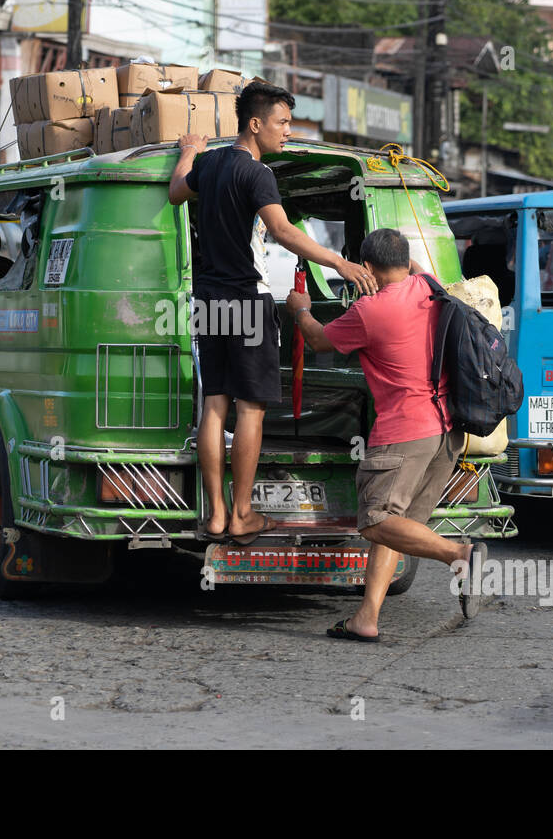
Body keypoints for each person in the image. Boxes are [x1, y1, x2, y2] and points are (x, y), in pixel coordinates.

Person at [168, 81, 378, 545]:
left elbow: (176, 193)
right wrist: (339, 261)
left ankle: (216, 515)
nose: (287, 132)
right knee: (252, 410)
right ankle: (242, 514)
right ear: (255, 123)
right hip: (247, 298)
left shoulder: (211, 163)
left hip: (209, 298)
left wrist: (190, 149)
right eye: (281, 123)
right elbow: (282, 231)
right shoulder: (257, 173)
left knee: (214, 406)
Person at [285, 228, 488, 640]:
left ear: (368, 268)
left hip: (405, 433)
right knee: (399, 527)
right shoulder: (427, 286)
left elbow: (318, 340)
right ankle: (367, 618)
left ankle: (460, 554)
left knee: (377, 521)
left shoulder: (370, 311)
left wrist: (300, 309)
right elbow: (409, 266)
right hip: (446, 430)